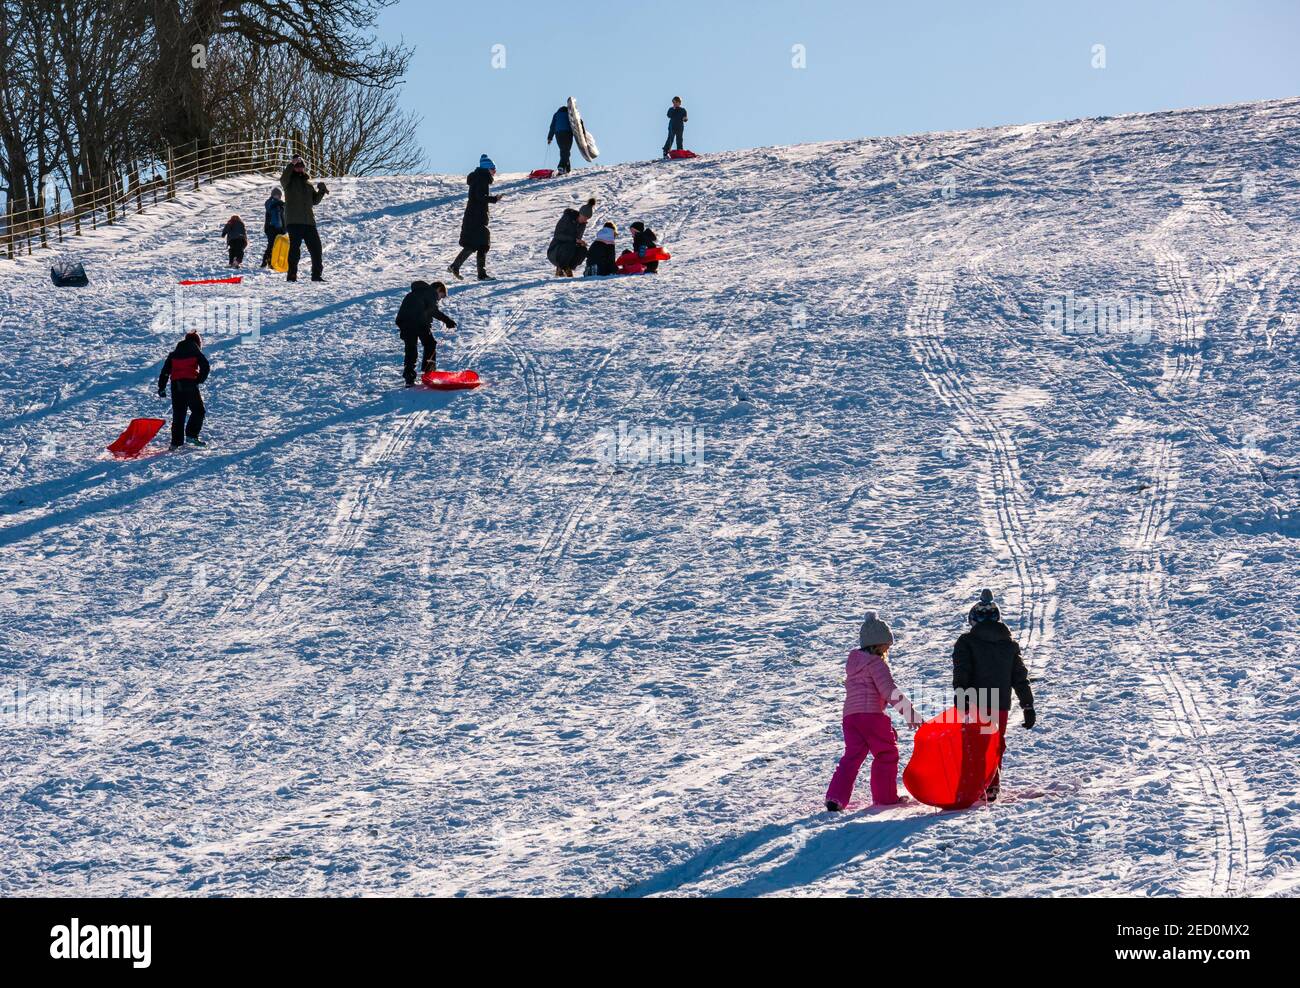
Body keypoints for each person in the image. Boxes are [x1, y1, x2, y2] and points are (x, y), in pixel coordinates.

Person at [825, 612, 920, 811]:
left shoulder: (854, 666)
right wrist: (909, 712)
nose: (888, 649)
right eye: (887, 645)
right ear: (877, 645)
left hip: (850, 718)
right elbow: (888, 690)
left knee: (851, 757)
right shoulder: (876, 664)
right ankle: (885, 798)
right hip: (872, 716)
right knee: (886, 754)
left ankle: (835, 797)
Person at [952, 589, 1037, 802]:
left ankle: (972, 785)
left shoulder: (966, 642)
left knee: (974, 744)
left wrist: (960, 692)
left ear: (973, 620)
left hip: (975, 702)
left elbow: (962, 669)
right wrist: (1027, 705)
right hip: (999, 704)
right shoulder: (1008, 645)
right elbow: (1019, 677)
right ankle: (991, 786)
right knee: (995, 743)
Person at [449, 155, 502, 282]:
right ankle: (481, 275)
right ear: (487, 169)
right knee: (481, 244)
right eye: (493, 168)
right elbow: (480, 196)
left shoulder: (479, 177)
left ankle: (455, 266)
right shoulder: (482, 178)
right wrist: (494, 199)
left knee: (475, 245)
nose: (495, 171)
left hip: (474, 217)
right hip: (476, 218)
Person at [395, 280, 455, 387]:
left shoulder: (416, 293)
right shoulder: (430, 292)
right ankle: (429, 372)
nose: (439, 299)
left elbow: (424, 311)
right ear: (438, 289)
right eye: (442, 296)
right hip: (418, 323)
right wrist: (447, 320)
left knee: (411, 349)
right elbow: (433, 311)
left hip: (405, 323)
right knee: (430, 344)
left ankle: (409, 379)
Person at [157, 331, 211, 449]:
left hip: (176, 386)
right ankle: (192, 435)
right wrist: (199, 380)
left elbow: (165, 372)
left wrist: (161, 387)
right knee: (198, 411)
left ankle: (175, 443)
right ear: (198, 342)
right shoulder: (195, 351)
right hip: (190, 384)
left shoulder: (174, 354)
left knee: (179, 414)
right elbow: (205, 366)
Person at [280, 155, 328, 282]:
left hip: (309, 222)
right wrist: (291, 164)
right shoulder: (288, 182)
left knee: (316, 249)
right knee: (295, 250)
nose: (300, 169)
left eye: (301, 166)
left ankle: (316, 275)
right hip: (294, 221)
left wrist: (321, 191)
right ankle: (292, 275)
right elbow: (283, 178)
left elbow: (314, 201)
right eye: (297, 166)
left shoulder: (308, 184)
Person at [547, 197, 595, 277]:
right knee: (569, 245)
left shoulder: (582, 225)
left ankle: (568, 268)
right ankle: (561, 268)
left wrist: (580, 243)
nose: (585, 220)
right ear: (580, 214)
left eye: (587, 219)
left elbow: (576, 241)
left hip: (569, 250)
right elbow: (558, 235)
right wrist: (574, 240)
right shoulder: (567, 218)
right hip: (555, 251)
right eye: (584, 218)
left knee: (582, 250)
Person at [259, 187, 286, 268]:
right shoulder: (269, 202)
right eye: (276, 195)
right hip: (271, 227)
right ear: (273, 195)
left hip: (280, 228)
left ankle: (272, 262)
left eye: (279, 195)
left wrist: (285, 228)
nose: (277, 196)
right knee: (271, 245)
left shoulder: (281, 204)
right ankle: (265, 261)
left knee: (278, 246)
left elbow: (283, 217)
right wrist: (277, 203)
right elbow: (269, 207)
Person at [548, 105, 574, 175]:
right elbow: (577, 122)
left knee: (563, 150)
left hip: (558, 134)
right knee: (566, 150)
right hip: (567, 133)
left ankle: (567, 168)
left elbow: (552, 126)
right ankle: (561, 167)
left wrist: (550, 138)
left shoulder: (556, 114)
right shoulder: (569, 113)